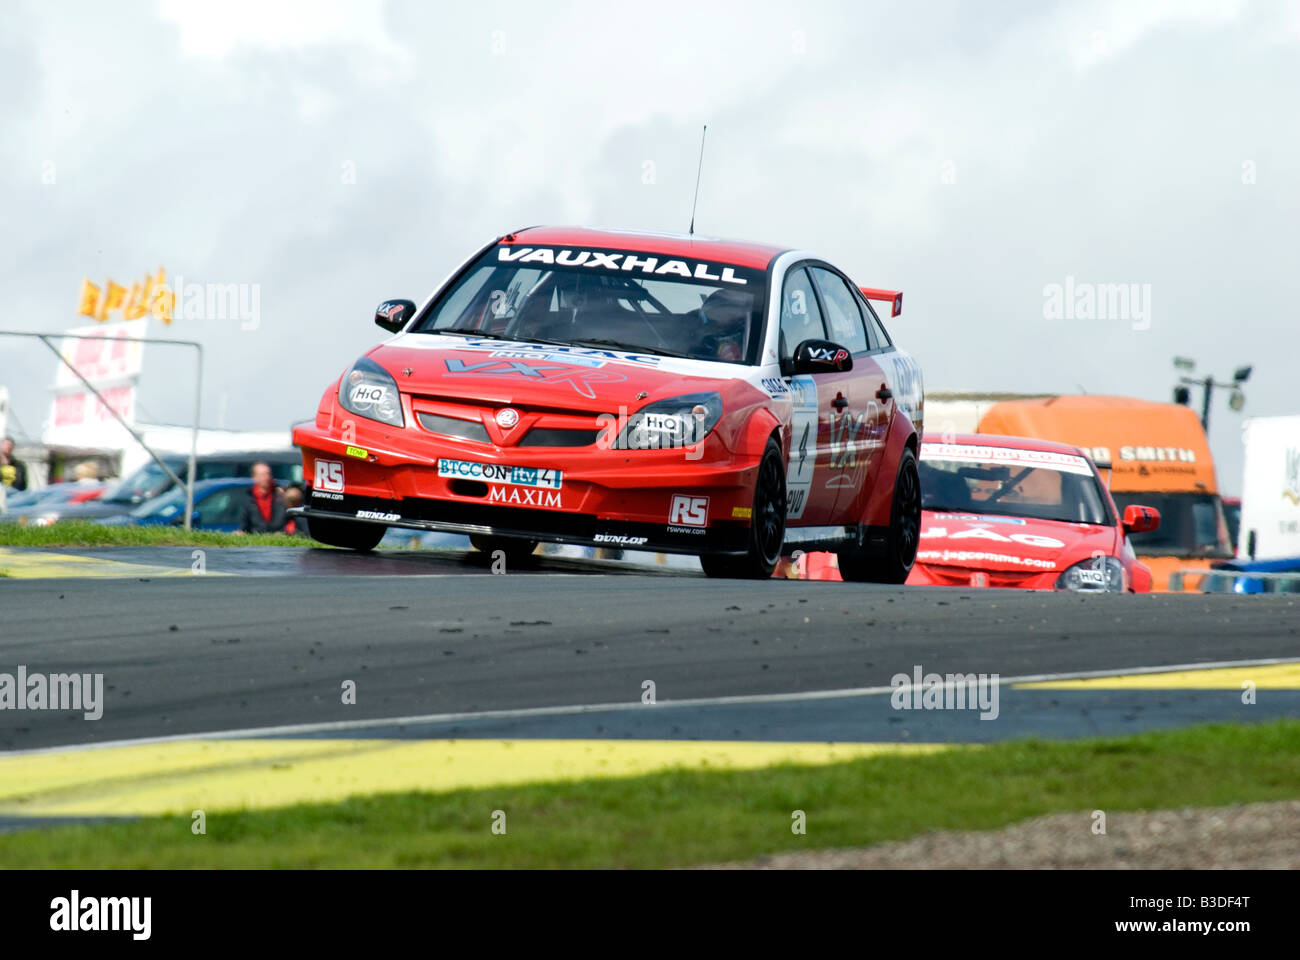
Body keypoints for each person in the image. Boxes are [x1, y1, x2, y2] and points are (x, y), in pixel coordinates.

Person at [237, 462, 289, 533]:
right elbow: (244, 524)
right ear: (254, 477)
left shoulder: (280, 494)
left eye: (268, 474)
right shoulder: (249, 497)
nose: (267, 477)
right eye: (263, 474)